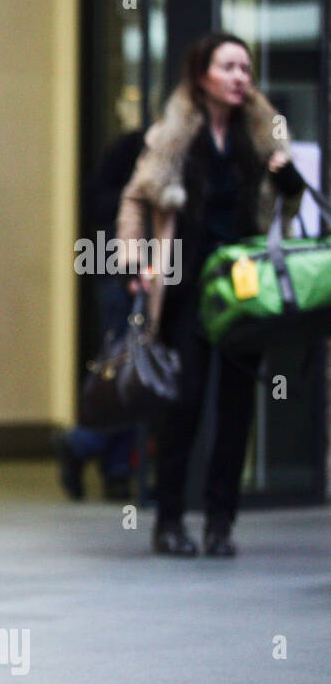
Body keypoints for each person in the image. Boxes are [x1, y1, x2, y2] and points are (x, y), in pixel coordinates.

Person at [116, 32, 305, 557]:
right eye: (229, 67)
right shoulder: (174, 135)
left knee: (237, 408)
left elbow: (285, 215)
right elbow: (135, 197)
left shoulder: (263, 137)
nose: (241, 77)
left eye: (246, 68)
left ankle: (222, 523)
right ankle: (170, 520)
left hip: (245, 291)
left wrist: (289, 184)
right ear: (203, 76)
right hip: (186, 289)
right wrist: (133, 262)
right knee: (186, 405)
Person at [55, 128, 144, 501]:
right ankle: (84, 446)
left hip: (146, 271)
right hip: (120, 269)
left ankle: (113, 466)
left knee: (137, 371)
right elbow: (97, 202)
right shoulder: (132, 148)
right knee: (125, 368)